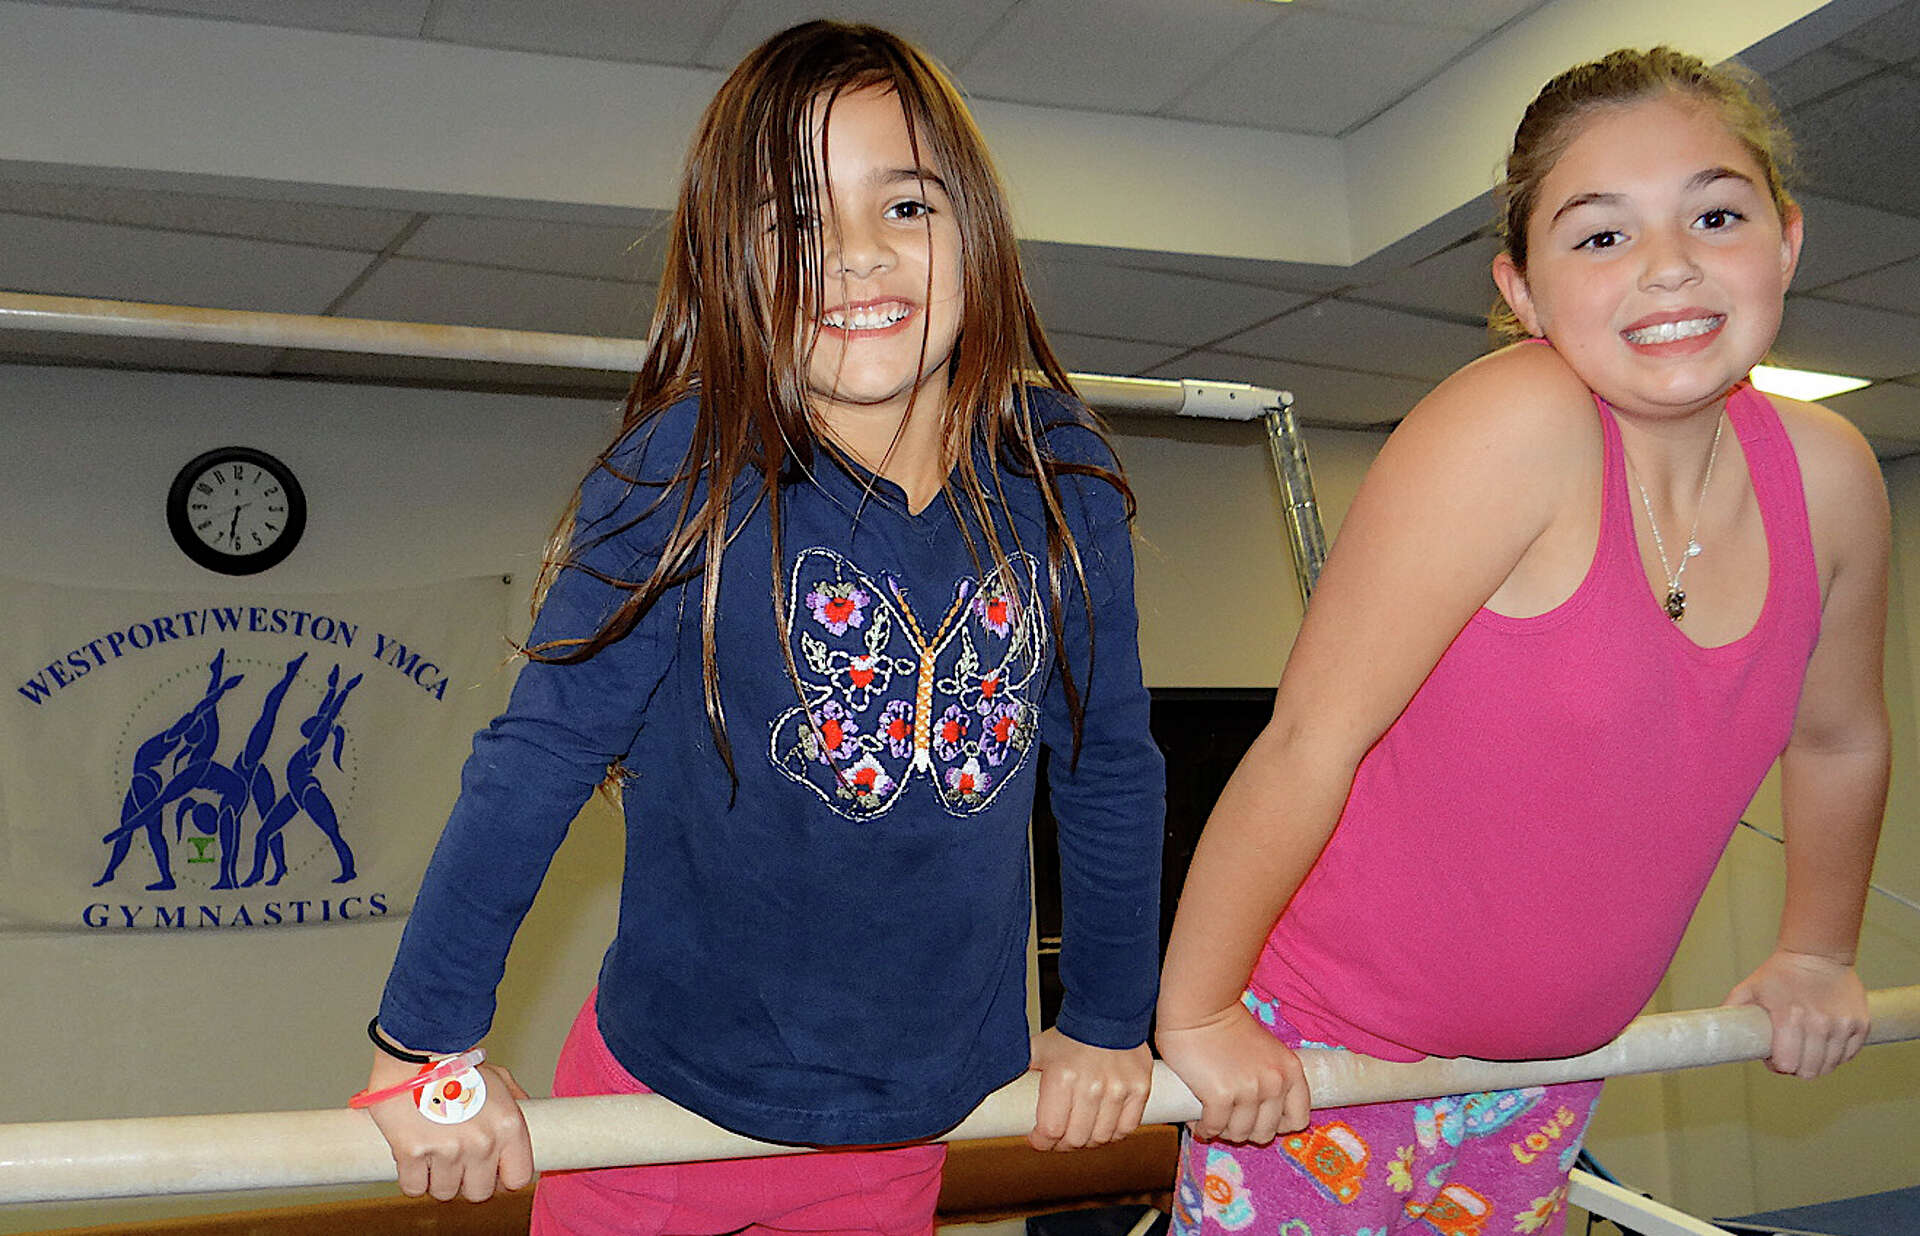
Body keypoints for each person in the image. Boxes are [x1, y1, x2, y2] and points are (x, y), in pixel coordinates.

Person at [360, 21, 1164, 1235]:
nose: (857, 255)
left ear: (979, 232)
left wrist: (1107, 1017)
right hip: (669, 1104)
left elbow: (1108, 770)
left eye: (905, 206)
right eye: (796, 225)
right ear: (729, 262)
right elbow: (539, 757)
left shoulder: (1057, 476)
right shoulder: (682, 473)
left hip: (909, 1115)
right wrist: (420, 1042)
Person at [1155, 46, 1889, 1236]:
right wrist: (1197, 1013)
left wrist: (1816, 950)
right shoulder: (1514, 425)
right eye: (1601, 235)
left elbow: (1842, 738)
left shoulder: (1831, 477)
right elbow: (1309, 740)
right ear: (1526, 291)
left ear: (1787, 241)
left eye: (1716, 215)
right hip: (1324, 1056)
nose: (1669, 264)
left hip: (1551, 1075)